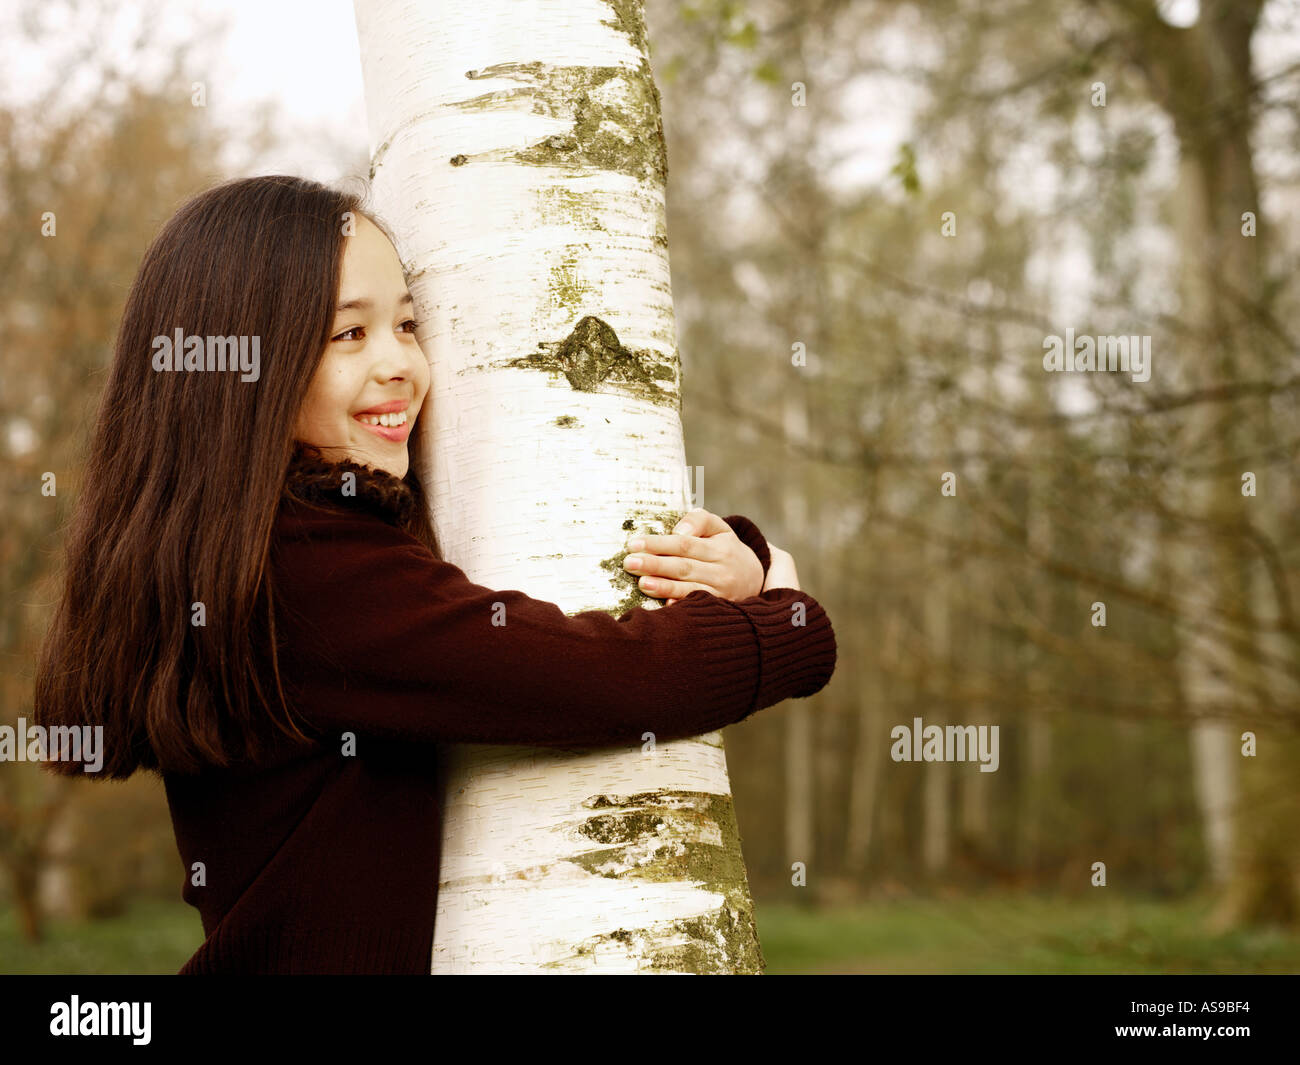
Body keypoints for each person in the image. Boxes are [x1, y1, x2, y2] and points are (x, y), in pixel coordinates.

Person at [33, 175, 838, 974]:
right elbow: (609, 678)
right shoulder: (303, 570)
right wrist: (788, 618)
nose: (401, 365)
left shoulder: (248, 556)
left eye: (409, 324)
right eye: (349, 334)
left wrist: (735, 550)